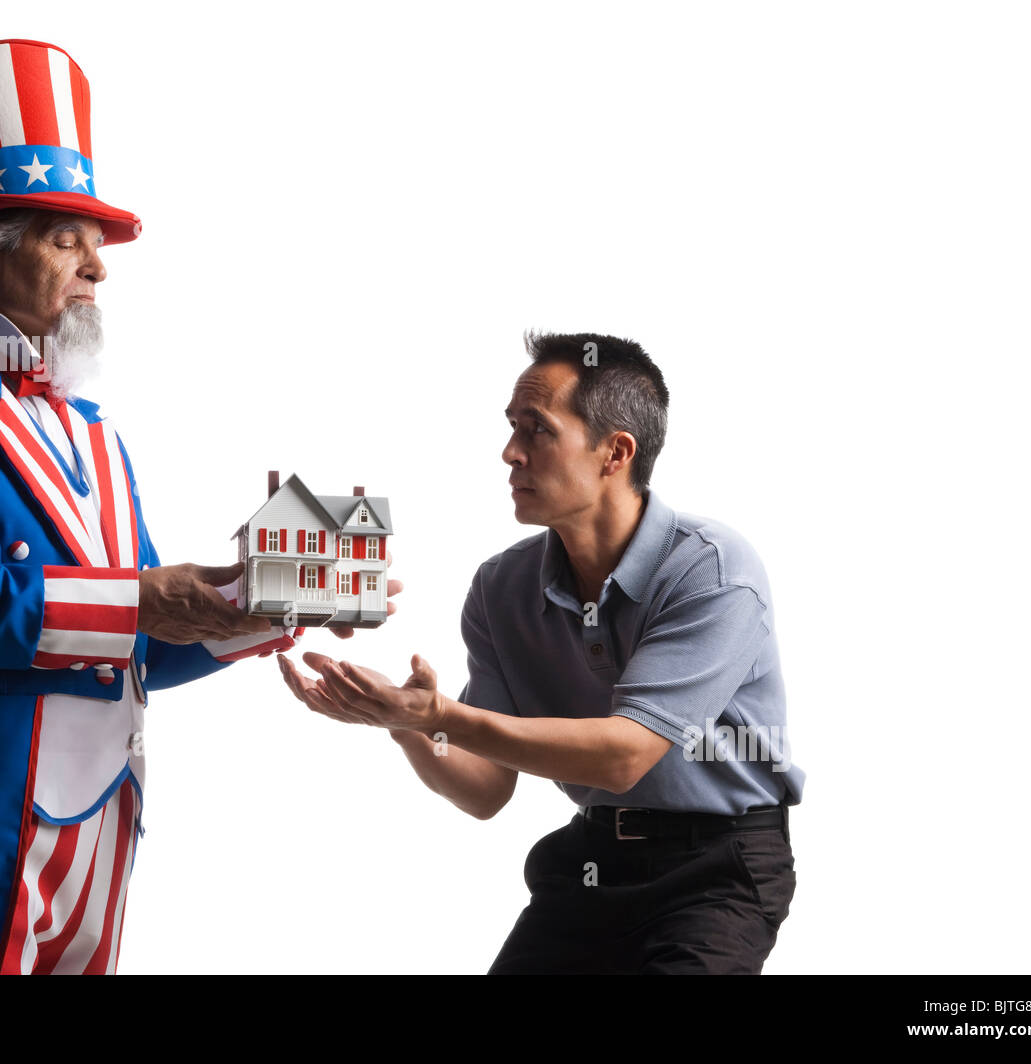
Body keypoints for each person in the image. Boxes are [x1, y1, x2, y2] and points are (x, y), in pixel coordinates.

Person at [0, 38, 395, 975]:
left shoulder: (95, 432)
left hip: (101, 823)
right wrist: (141, 597)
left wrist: (264, 603)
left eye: (97, 247)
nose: (99, 268)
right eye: (68, 240)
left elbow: (129, 647)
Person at [277, 331, 804, 974]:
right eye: (511, 428)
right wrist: (404, 723)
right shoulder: (501, 588)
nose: (509, 452)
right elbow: (485, 789)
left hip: (718, 868)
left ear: (616, 452)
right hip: (589, 863)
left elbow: (624, 756)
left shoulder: (714, 571)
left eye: (537, 430)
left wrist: (441, 717)